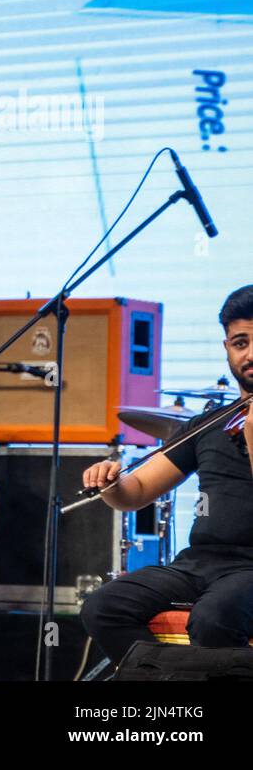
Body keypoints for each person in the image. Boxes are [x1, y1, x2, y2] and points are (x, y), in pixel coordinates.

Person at [80, 285, 253, 666]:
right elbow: (137, 490)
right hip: (200, 564)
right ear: (227, 348)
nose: (250, 354)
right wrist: (112, 483)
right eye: (240, 342)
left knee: (214, 619)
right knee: (103, 607)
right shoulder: (212, 423)